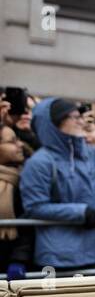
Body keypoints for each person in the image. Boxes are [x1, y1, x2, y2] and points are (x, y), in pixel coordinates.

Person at [19, 98, 95, 272]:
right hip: (59, 256)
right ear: (52, 124)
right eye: (72, 117)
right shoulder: (39, 162)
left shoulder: (91, 154)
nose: (80, 121)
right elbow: (34, 207)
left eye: (79, 116)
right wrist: (81, 212)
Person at [0, 104, 34, 280]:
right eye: (12, 141)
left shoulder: (23, 176)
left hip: (11, 263)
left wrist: (19, 259)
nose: (19, 144)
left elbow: (27, 224)